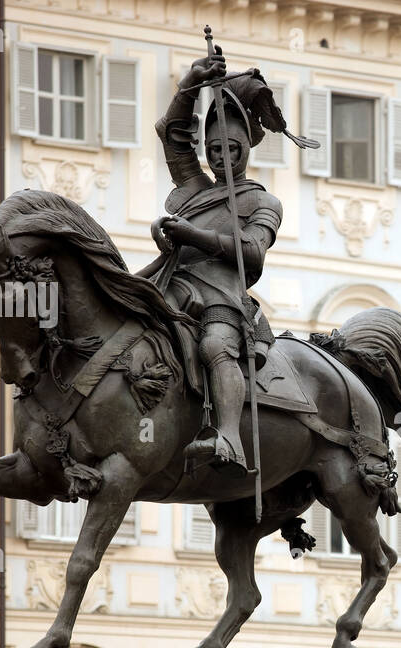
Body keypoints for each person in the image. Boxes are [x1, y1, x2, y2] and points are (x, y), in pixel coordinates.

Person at [141, 49, 287, 475]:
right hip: (170, 284)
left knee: (215, 346)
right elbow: (173, 134)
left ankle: (228, 435)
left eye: (231, 148)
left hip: (221, 295)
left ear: (246, 148)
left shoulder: (263, 201)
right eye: (214, 149)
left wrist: (192, 235)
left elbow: (254, 251)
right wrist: (190, 84)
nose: (221, 157)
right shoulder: (193, 188)